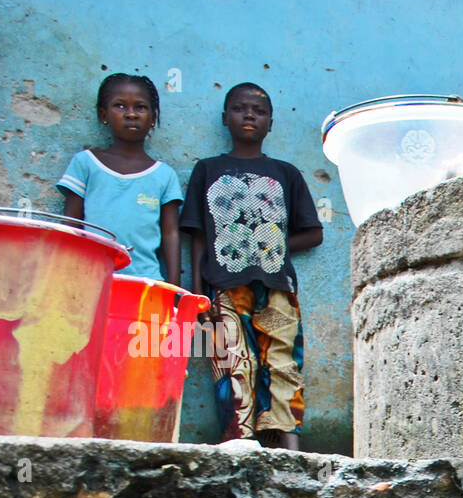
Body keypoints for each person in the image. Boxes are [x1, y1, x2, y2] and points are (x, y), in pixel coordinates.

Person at [180, 83, 323, 450]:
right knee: (232, 364)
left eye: (258, 111)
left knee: (282, 362)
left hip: (277, 290)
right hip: (222, 287)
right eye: (240, 109)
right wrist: (196, 293)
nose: (249, 115)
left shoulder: (285, 173)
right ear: (225, 118)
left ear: (270, 123)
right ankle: (240, 444)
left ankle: (288, 448)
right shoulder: (208, 170)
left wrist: (266, 243)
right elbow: (196, 235)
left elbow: (313, 234)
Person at [58, 73, 182, 283]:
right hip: (92, 280)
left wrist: (175, 289)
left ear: (153, 119)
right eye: (120, 106)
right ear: (103, 114)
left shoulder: (164, 175)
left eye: (140, 107)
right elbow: (71, 226)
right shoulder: (85, 164)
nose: (131, 114)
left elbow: (170, 234)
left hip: (147, 284)